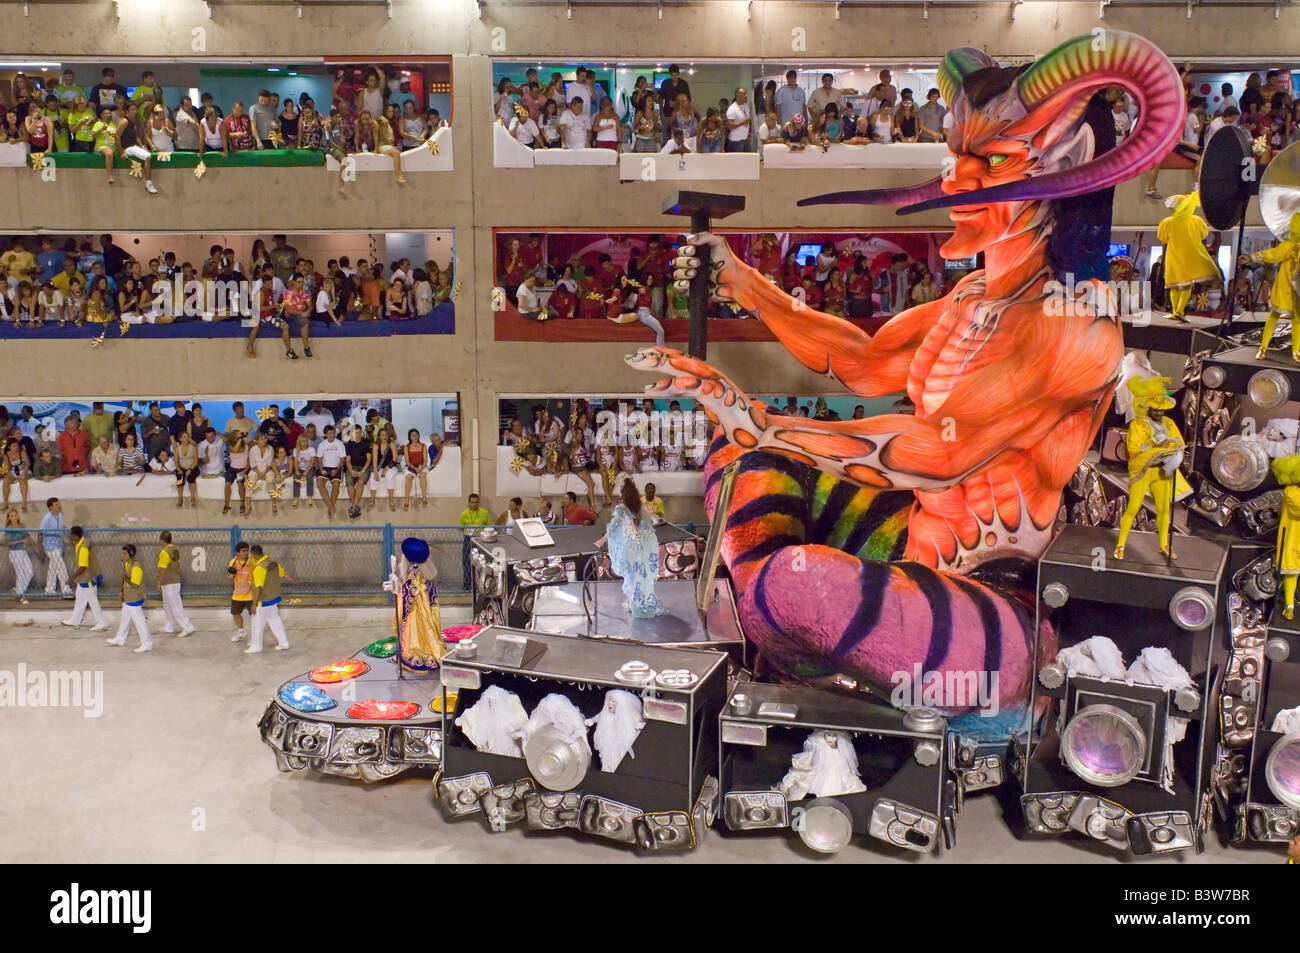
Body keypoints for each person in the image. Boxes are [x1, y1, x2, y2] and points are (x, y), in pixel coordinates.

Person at [1114, 376, 1191, 561]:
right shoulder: (1138, 425)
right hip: (1143, 470)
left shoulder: (1170, 424)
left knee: (1164, 509)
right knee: (1133, 507)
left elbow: (1180, 443)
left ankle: (1164, 545)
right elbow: (1133, 449)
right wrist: (1158, 447)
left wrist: (1171, 449)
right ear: (1148, 407)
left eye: (1162, 410)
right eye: (1155, 409)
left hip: (1162, 471)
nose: (1159, 413)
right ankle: (1120, 545)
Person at [595, 479, 666, 619]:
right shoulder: (640, 506)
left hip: (632, 546)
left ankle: (636, 602)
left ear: (623, 494)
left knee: (633, 574)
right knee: (642, 574)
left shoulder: (622, 509)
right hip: (645, 544)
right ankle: (641, 600)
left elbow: (614, 525)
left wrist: (603, 539)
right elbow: (647, 524)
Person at [1157, 192, 1221, 322]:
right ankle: (1179, 311)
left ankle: (1175, 311)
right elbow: (1203, 234)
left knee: (1173, 284)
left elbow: (1162, 238)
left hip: (1174, 255)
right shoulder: (1196, 220)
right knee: (1187, 284)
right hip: (1190, 255)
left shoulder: (1167, 222)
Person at [388, 536, 446, 672]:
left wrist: (400, 611)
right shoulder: (426, 571)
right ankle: (430, 648)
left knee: (416, 631)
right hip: (427, 606)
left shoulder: (412, 571)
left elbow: (409, 595)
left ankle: (419, 650)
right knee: (428, 628)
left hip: (415, 609)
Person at [106, 544, 152, 653]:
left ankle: (147, 643)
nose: (122, 555)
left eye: (124, 553)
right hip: (128, 597)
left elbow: (135, 585)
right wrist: (122, 592)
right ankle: (120, 638)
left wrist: (125, 577)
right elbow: (124, 582)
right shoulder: (127, 564)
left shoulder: (136, 567)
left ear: (131, 554)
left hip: (134, 598)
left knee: (139, 622)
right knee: (125, 619)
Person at [62, 525, 107, 631]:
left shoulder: (83, 548)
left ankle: (101, 623)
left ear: (74, 535)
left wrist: (72, 577)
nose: (69, 535)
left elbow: (83, 566)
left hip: (87, 579)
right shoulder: (79, 543)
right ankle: (75, 620)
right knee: (80, 600)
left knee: (93, 601)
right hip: (82, 580)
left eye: (70, 533)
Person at [246, 544, 289, 653]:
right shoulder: (272, 562)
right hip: (274, 598)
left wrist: (254, 604)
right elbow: (282, 573)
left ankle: (256, 646)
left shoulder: (259, 568)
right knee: (274, 619)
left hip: (263, 601)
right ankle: (284, 643)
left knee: (257, 623)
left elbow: (259, 588)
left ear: (253, 555)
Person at [156, 531, 195, 638]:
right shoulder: (175, 550)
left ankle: (187, 627)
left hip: (169, 582)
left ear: (162, 540)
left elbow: (162, 569)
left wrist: (159, 581)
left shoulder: (164, 552)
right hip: (175, 580)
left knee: (175, 605)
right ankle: (169, 626)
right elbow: (178, 564)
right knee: (167, 605)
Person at [38, 497, 72, 596]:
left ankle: (49, 589)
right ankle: (66, 588)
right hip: (50, 546)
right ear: (51, 507)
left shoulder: (61, 516)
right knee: (61, 566)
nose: (59, 506)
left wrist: (70, 534)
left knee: (53, 567)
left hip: (59, 545)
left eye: (59, 503)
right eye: (56, 504)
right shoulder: (47, 518)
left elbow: (63, 528)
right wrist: (40, 548)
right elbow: (41, 532)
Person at [458, 492, 492, 588]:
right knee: (467, 561)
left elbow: (489, 526)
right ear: (469, 502)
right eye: (472, 502)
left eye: (476, 502)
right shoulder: (464, 514)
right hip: (468, 539)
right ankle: (467, 584)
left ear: (478, 502)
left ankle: (483, 584)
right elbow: (461, 527)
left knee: (483, 562)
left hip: (480, 539)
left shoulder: (484, 513)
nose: (474, 504)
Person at [5, 508, 34, 604]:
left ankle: (18, 590)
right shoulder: (9, 528)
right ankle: (20, 595)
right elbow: (7, 542)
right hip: (14, 553)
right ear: (9, 518)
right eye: (12, 516)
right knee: (20, 573)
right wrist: (21, 541)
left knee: (30, 572)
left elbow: (27, 536)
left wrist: (29, 541)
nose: (14, 517)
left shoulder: (22, 525)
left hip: (23, 551)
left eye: (16, 515)